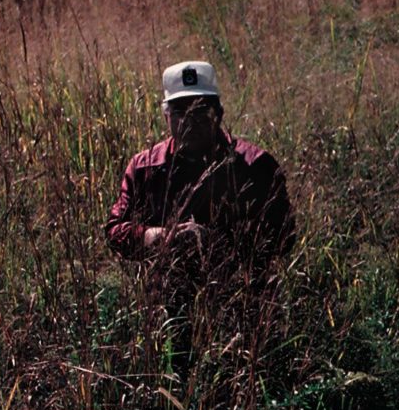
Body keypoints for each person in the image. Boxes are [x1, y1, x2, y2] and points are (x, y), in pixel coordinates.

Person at [105, 61, 296, 309]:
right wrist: (156, 237)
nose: (189, 121)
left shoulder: (255, 165)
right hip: (166, 306)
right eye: (179, 111)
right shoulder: (145, 168)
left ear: (219, 114)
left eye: (200, 111)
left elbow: (285, 235)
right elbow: (114, 231)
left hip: (243, 301)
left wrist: (218, 243)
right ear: (166, 117)